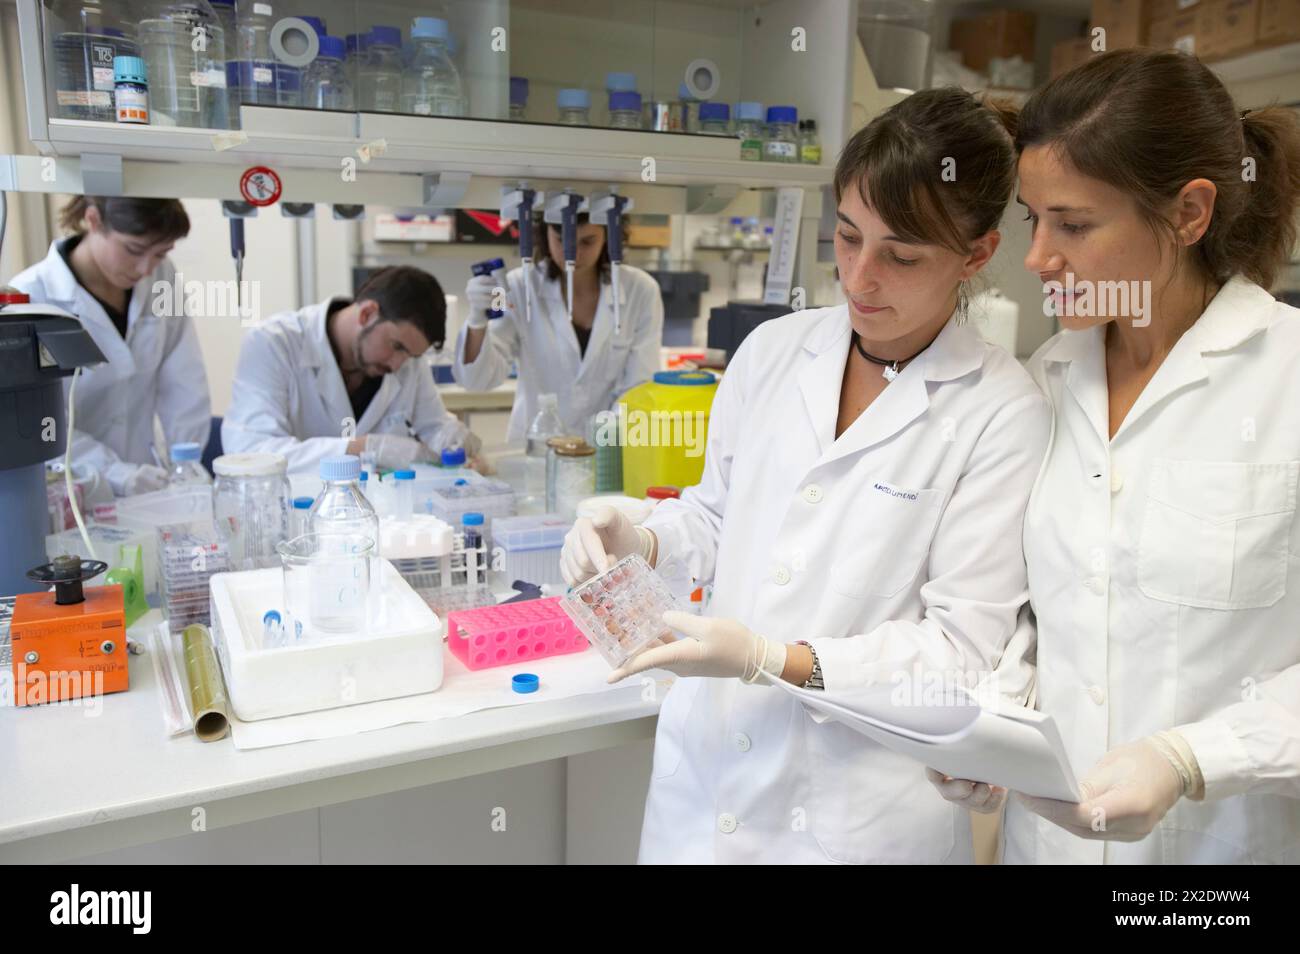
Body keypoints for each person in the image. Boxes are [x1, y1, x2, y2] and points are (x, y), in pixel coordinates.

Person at [560, 88, 1050, 863]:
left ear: (978, 255)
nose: (860, 277)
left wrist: (772, 659)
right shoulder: (775, 351)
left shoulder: (1002, 411)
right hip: (705, 786)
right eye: (848, 236)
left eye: (902, 255)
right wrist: (641, 540)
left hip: (859, 817)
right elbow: (718, 520)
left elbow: (957, 653)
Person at [929, 49, 1300, 864]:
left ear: (1189, 213)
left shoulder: (1288, 384)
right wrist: (987, 721)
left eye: (1075, 224)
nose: (1038, 259)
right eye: (1035, 219)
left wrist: (1190, 760)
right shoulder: (1047, 383)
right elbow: (1039, 617)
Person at [10, 196, 209, 496]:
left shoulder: (161, 276)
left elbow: (184, 384)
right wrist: (115, 473)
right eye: (134, 250)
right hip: (72, 488)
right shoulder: (31, 297)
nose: (145, 268)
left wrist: (185, 470)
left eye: (161, 253)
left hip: (149, 483)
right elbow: (42, 422)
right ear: (93, 220)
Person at [223, 265, 479, 475]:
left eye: (411, 355)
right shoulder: (274, 343)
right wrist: (362, 448)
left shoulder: (407, 361)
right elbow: (249, 451)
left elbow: (433, 424)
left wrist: (452, 439)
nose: (397, 365)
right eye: (397, 346)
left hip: (381, 516)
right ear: (367, 314)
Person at [452, 214, 664, 441]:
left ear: (609, 237)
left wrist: (602, 443)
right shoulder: (517, 286)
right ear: (545, 234)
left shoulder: (640, 290)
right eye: (562, 240)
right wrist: (477, 319)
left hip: (607, 448)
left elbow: (640, 387)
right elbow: (477, 380)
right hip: (536, 450)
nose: (573, 253)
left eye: (587, 241)